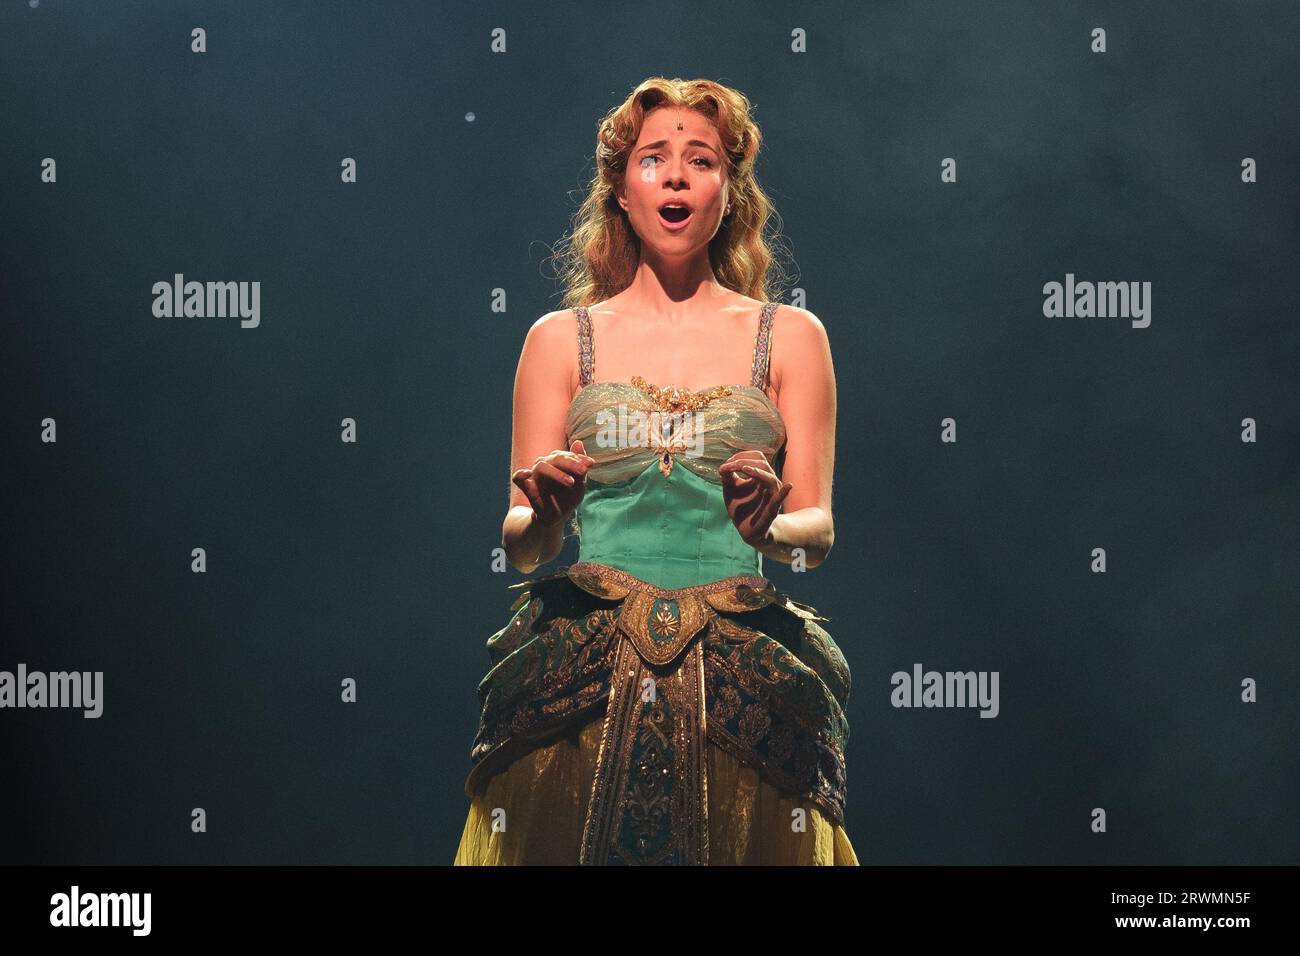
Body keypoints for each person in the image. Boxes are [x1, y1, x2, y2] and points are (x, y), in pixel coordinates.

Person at [454, 77, 857, 865]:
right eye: (654, 159)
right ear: (621, 191)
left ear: (727, 192)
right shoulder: (558, 339)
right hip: (582, 674)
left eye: (700, 160)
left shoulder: (793, 335)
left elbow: (818, 537)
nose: (676, 175)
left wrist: (767, 528)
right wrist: (547, 514)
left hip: (744, 673)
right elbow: (522, 547)